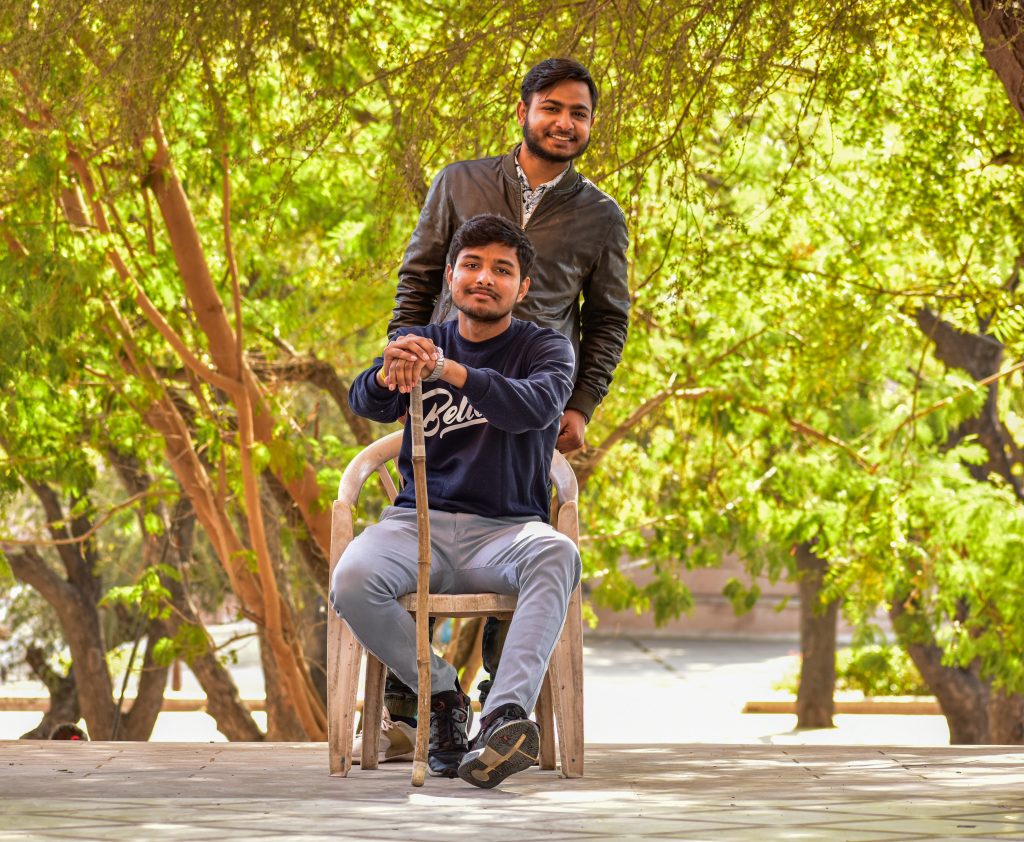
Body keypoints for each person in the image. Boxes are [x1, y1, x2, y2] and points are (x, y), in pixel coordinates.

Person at [379, 56, 629, 740]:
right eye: (552, 107)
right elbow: (418, 275)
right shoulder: (459, 182)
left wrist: (580, 403)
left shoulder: (600, 216)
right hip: (440, 383)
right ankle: (417, 698)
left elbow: (607, 319)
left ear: (590, 126)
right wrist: (404, 357)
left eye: (579, 113)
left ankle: (500, 702)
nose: (564, 122)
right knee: (420, 523)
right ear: (522, 111)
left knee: (519, 533)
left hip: (528, 393)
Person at [331, 214, 581, 788]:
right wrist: (390, 370)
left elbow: (534, 408)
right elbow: (364, 398)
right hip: (416, 525)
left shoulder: (548, 349)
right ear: (450, 277)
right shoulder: (424, 340)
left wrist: (449, 371)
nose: (484, 278)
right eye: (471, 265)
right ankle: (443, 698)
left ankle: (502, 719)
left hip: (507, 532)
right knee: (351, 579)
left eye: (502, 269)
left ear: (522, 288)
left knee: (558, 555)